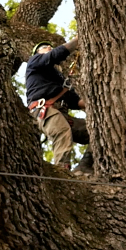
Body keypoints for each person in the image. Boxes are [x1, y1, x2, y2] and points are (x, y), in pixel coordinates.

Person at [25, 37, 87, 169]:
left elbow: (77, 102)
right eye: (45, 47)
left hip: (61, 114)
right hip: (45, 110)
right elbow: (55, 54)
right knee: (62, 131)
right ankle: (62, 170)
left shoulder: (59, 79)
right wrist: (78, 39)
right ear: (37, 54)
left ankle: (85, 167)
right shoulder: (34, 62)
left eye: (50, 47)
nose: (49, 48)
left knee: (94, 130)